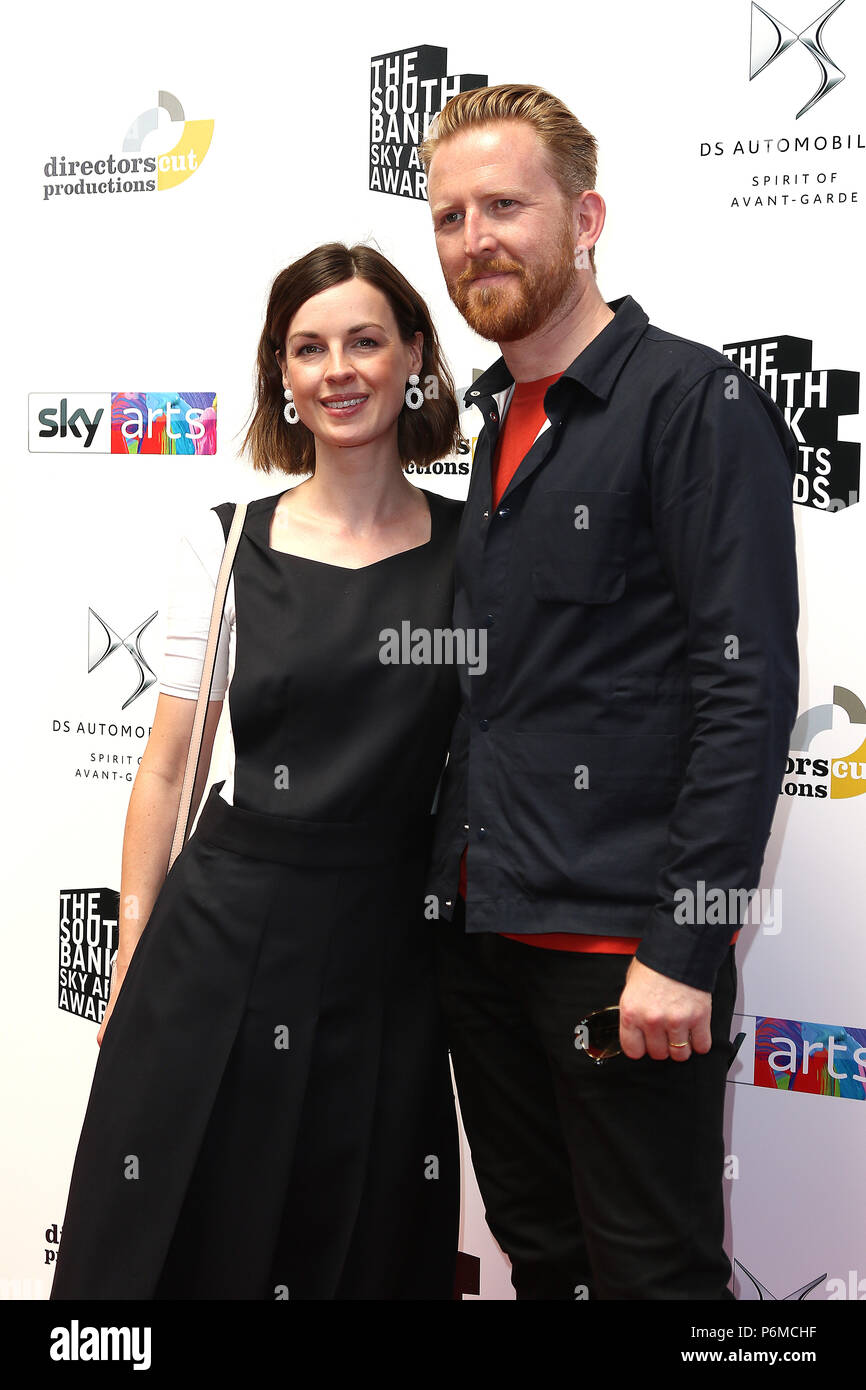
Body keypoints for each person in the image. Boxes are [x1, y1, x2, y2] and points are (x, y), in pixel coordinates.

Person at [421, 85, 800, 1300]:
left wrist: (683, 946)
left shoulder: (693, 403)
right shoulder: (494, 422)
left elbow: (744, 693)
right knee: (545, 1260)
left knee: (651, 1276)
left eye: (503, 206)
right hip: (487, 942)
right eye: (448, 215)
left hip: (619, 959)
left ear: (584, 217)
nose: (473, 237)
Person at [50, 242, 464, 1301]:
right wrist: (133, 945)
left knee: (357, 1238)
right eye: (308, 347)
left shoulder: (478, 549)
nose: (338, 369)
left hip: (385, 953)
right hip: (219, 942)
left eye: (365, 340)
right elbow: (168, 763)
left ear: (413, 355)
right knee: (171, 1236)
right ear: (280, 373)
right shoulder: (230, 540)